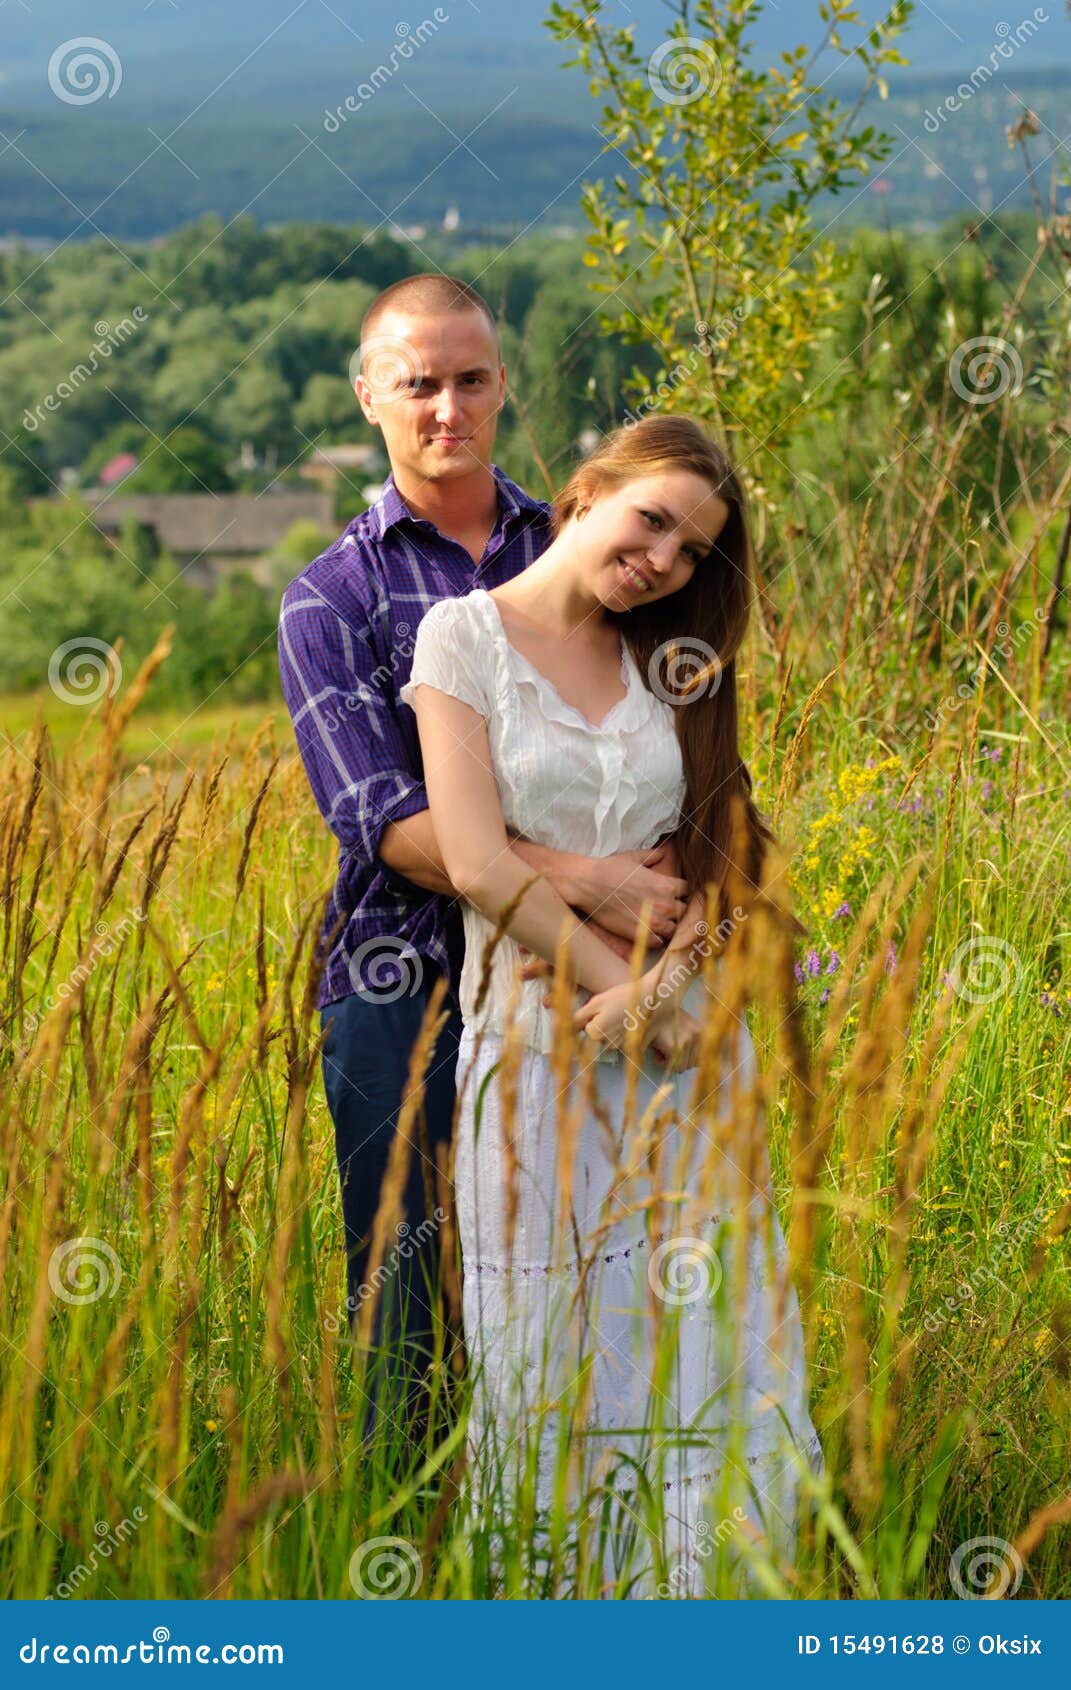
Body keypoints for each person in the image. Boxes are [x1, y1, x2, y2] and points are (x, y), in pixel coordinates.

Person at [400, 413, 824, 1595]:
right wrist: (620, 986)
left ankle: (711, 1621)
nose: (665, 562)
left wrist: (673, 990)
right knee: (553, 1356)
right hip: (537, 1059)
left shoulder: (674, 657)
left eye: (692, 550)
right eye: (653, 521)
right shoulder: (462, 640)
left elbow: (732, 865)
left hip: (685, 1069)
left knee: (705, 1344)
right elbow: (479, 862)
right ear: (589, 491)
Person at [277, 275, 690, 1442]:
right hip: (403, 981)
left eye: (469, 380)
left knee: (586, 1273)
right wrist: (588, 876)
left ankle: (583, 1537)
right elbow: (388, 824)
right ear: (370, 396)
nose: (446, 407)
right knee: (413, 1298)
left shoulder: (581, 543)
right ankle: (415, 1549)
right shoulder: (330, 600)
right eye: (418, 384)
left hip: (583, 972)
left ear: (503, 385)